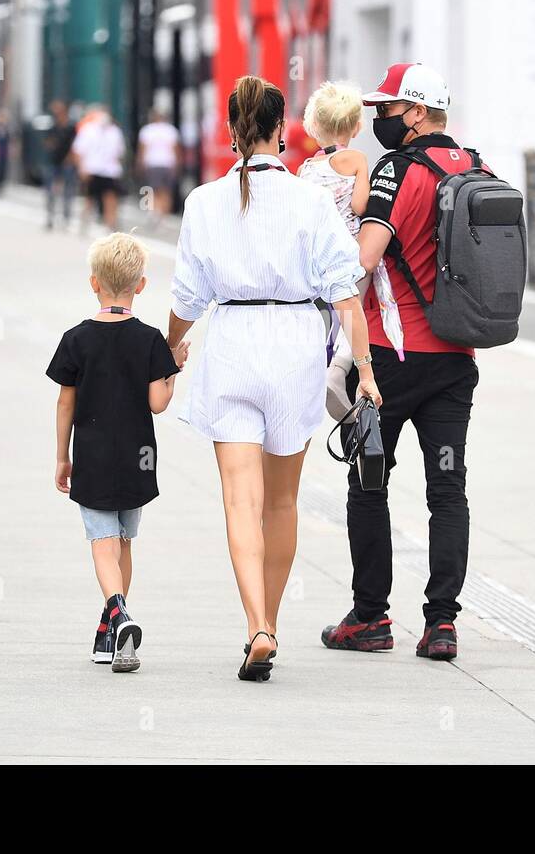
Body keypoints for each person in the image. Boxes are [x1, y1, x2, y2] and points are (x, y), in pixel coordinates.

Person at [166, 75, 380, 682]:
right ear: (284, 132)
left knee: (240, 498)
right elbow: (346, 293)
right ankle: (273, 624)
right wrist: (363, 371)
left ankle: (256, 624)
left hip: (233, 342)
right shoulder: (311, 200)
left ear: (233, 130)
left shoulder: (204, 202)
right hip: (295, 347)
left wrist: (173, 346)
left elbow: (188, 295)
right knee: (282, 499)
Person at [320, 62, 483, 662]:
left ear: (416, 112)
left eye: (386, 111)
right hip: (456, 360)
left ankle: (370, 618)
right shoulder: (474, 166)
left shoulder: (396, 170)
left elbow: (364, 258)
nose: (378, 121)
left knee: (368, 484)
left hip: (389, 360)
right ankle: (442, 624)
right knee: (447, 490)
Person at [47, 232, 189, 672]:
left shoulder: (76, 339)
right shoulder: (148, 340)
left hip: (91, 454)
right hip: (138, 456)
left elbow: (65, 402)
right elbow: (157, 403)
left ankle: (117, 611)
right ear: (141, 286)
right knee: (124, 541)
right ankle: (111, 629)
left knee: (101, 542)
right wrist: (175, 368)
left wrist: (61, 455)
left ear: (94, 283)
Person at [296, 80, 407, 417]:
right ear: (357, 126)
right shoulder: (357, 159)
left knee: (329, 314)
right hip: (348, 253)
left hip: (314, 256)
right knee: (352, 311)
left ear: (315, 126)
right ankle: (339, 370)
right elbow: (360, 206)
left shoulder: (305, 168)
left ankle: (319, 369)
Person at [73, 106, 125, 230]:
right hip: (93, 169)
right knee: (89, 198)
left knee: (110, 198)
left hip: (109, 170)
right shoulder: (88, 129)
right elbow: (78, 150)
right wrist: (81, 168)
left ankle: (110, 223)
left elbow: (119, 152)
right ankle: (85, 222)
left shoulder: (115, 132)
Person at [136, 109, 180, 220]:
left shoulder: (147, 131)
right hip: (168, 163)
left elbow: (142, 149)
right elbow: (176, 149)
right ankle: (164, 214)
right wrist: (177, 164)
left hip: (153, 163)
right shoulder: (171, 130)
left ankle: (156, 212)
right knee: (166, 190)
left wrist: (140, 163)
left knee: (155, 189)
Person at [41, 100, 78, 231]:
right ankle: (50, 217)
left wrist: (70, 158)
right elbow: (47, 143)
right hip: (53, 162)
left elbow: (76, 145)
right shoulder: (53, 126)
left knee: (68, 191)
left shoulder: (71, 127)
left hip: (67, 163)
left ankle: (66, 219)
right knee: (50, 191)